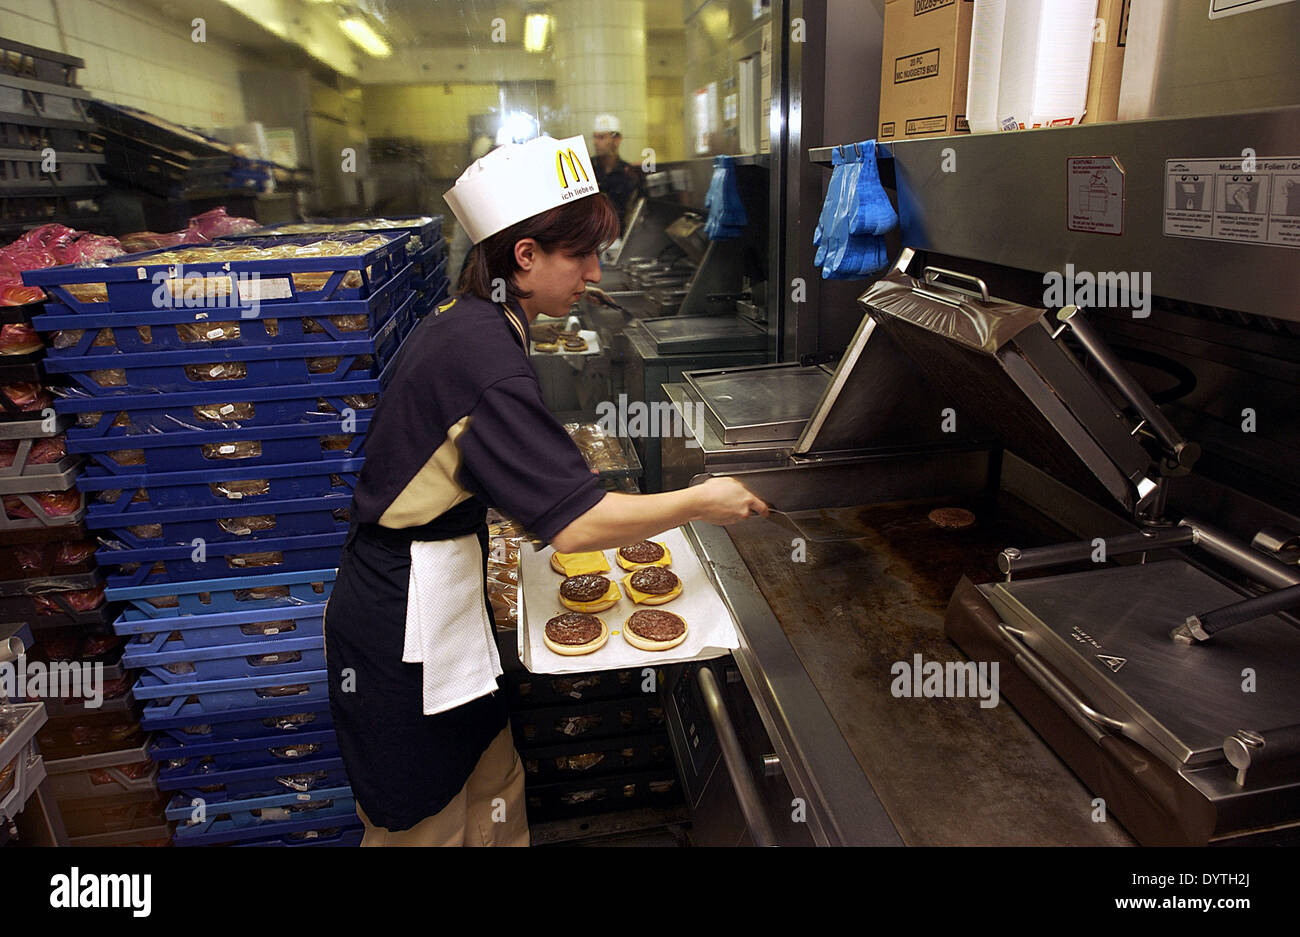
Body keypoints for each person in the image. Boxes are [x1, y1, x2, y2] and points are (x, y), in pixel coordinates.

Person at [323, 133, 767, 847]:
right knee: (424, 826)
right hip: (401, 628)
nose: (594, 273)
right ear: (523, 256)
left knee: (494, 788)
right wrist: (701, 500)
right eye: (579, 255)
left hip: (445, 602)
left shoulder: (480, 318)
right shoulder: (482, 351)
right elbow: (578, 526)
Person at [592, 114, 643, 233]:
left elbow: (636, 213)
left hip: (619, 237)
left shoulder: (629, 174)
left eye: (601, 137)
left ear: (616, 140)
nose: (595, 142)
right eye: (594, 137)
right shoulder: (586, 170)